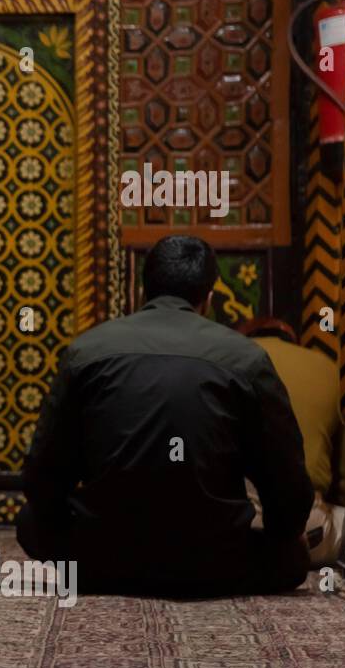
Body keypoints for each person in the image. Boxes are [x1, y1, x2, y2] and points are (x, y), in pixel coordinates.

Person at [18, 234, 314, 596]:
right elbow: (288, 482)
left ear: (143, 289)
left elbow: (41, 476)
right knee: (294, 554)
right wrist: (283, 535)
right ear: (208, 297)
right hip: (216, 565)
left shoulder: (86, 351)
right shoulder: (246, 358)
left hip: (101, 561)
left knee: (29, 523)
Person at [238, 316, 345, 566]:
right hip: (306, 531)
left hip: (228, 524)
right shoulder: (326, 368)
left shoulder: (223, 361)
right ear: (293, 340)